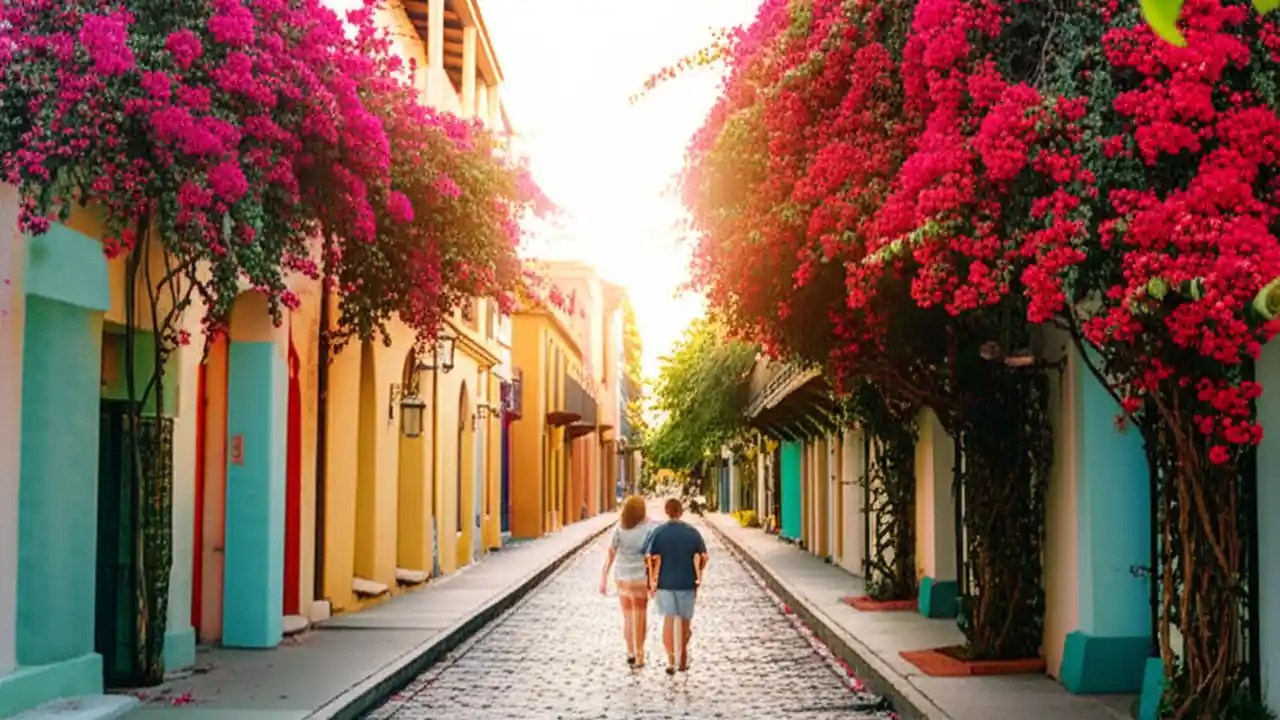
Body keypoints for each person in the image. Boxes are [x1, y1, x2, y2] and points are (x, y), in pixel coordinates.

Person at [644, 498, 709, 674]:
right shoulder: (692, 532)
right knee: (685, 621)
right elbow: (704, 556)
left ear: (667, 511)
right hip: (687, 581)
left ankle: (671, 660)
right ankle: (683, 655)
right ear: (681, 511)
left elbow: (649, 557)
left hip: (665, 583)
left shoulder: (658, 532)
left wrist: (652, 581)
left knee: (669, 619)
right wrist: (699, 572)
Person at [599, 495, 655, 667]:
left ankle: (630, 651)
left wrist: (604, 576)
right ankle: (639, 653)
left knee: (628, 617)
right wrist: (655, 579)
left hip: (622, 577)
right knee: (640, 617)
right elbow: (653, 556)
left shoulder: (620, 528)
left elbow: (611, 554)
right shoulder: (648, 529)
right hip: (640, 577)